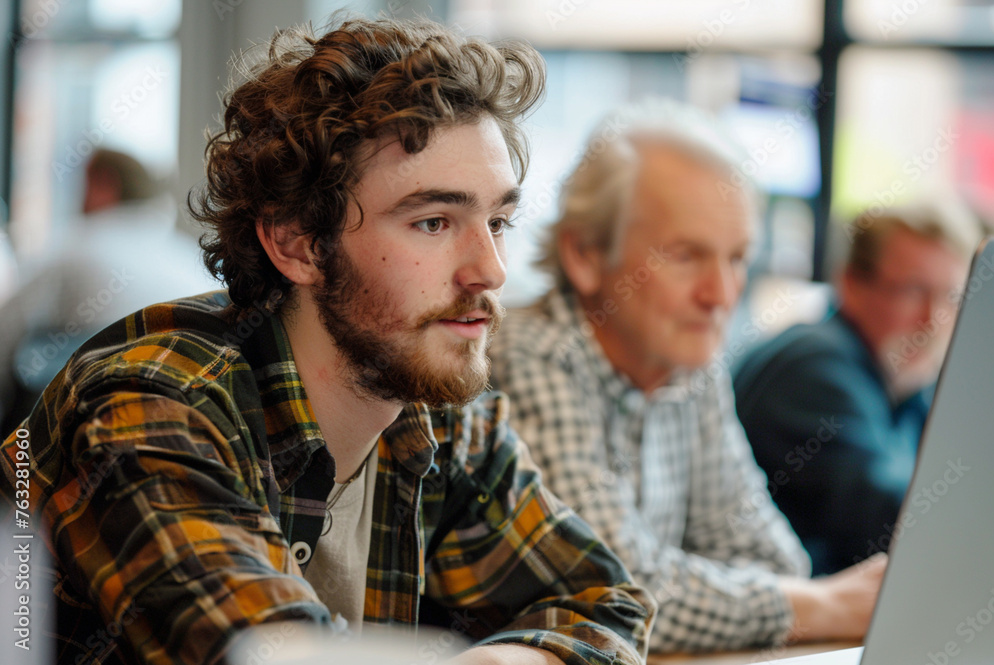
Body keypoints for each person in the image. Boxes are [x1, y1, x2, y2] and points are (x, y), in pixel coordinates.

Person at [0, 17, 655, 665]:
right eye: (433, 221)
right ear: (297, 242)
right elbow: (266, 656)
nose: (491, 269)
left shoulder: (443, 421)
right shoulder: (153, 407)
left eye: (498, 220)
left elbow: (606, 604)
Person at [488, 99, 887, 653]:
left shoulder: (690, 365)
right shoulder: (529, 353)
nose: (720, 295)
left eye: (738, 258)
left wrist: (774, 600)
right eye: (686, 256)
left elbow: (774, 562)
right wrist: (823, 605)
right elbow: (617, 588)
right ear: (584, 252)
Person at [733, 205, 979, 575]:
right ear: (850, 284)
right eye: (913, 290)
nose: (933, 320)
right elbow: (897, 519)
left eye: (951, 297)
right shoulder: (812, 366)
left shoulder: (910, 386)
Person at [0, 148, 218, 432]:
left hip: (91, 427)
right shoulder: (187, 256)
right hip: (196, 421)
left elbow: (6, 329)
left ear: (104, 183)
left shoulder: (78, 244)